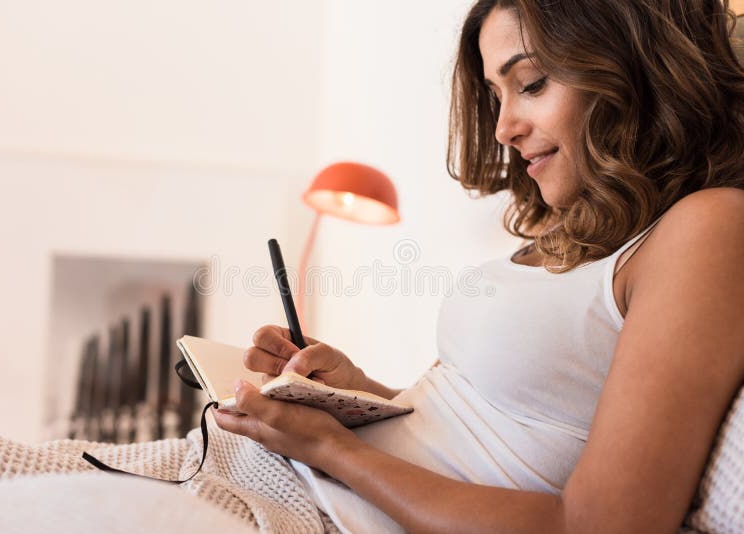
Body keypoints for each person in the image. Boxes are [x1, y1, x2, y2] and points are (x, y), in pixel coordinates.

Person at [211, 0, 744, 532]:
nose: (502, 129)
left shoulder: (709, 226)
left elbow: (597, 525)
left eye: (531, 82)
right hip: (294, 480)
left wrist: (329, 448)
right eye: (495, 95)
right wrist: (356, 392)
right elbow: (474, 426)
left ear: (634, 72)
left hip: (329, 506)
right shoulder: (583, 229)